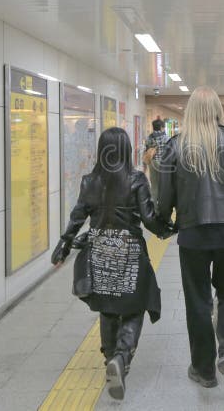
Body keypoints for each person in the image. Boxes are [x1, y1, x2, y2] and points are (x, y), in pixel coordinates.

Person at [51, 127, 173, 401]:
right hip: (129, 251)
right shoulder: (136, 179)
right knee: (135, 305)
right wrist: (168, 229)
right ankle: (121, 356)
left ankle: (110, 359)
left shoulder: (89, 181)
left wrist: (64, 244)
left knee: (107, 306)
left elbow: (78, 216)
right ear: (127, 150)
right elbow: (149, 218)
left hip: (100, 250)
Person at [157, 86, 224, 392]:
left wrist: (166, 223)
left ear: (190, 111)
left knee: (198, 300)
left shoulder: (175, 145)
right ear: (218, 109)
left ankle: (204, 370)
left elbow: (164, 195)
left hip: (192, 233)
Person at [143, 118, 168, 202]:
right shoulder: (166, 138)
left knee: (154, 185)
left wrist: (144, 166)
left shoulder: (149, 138)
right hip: (163, 163)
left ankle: (154, 206)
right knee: (163, 185)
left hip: (152, 163)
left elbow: (146, 151)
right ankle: (162, 205)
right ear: (161, 127)